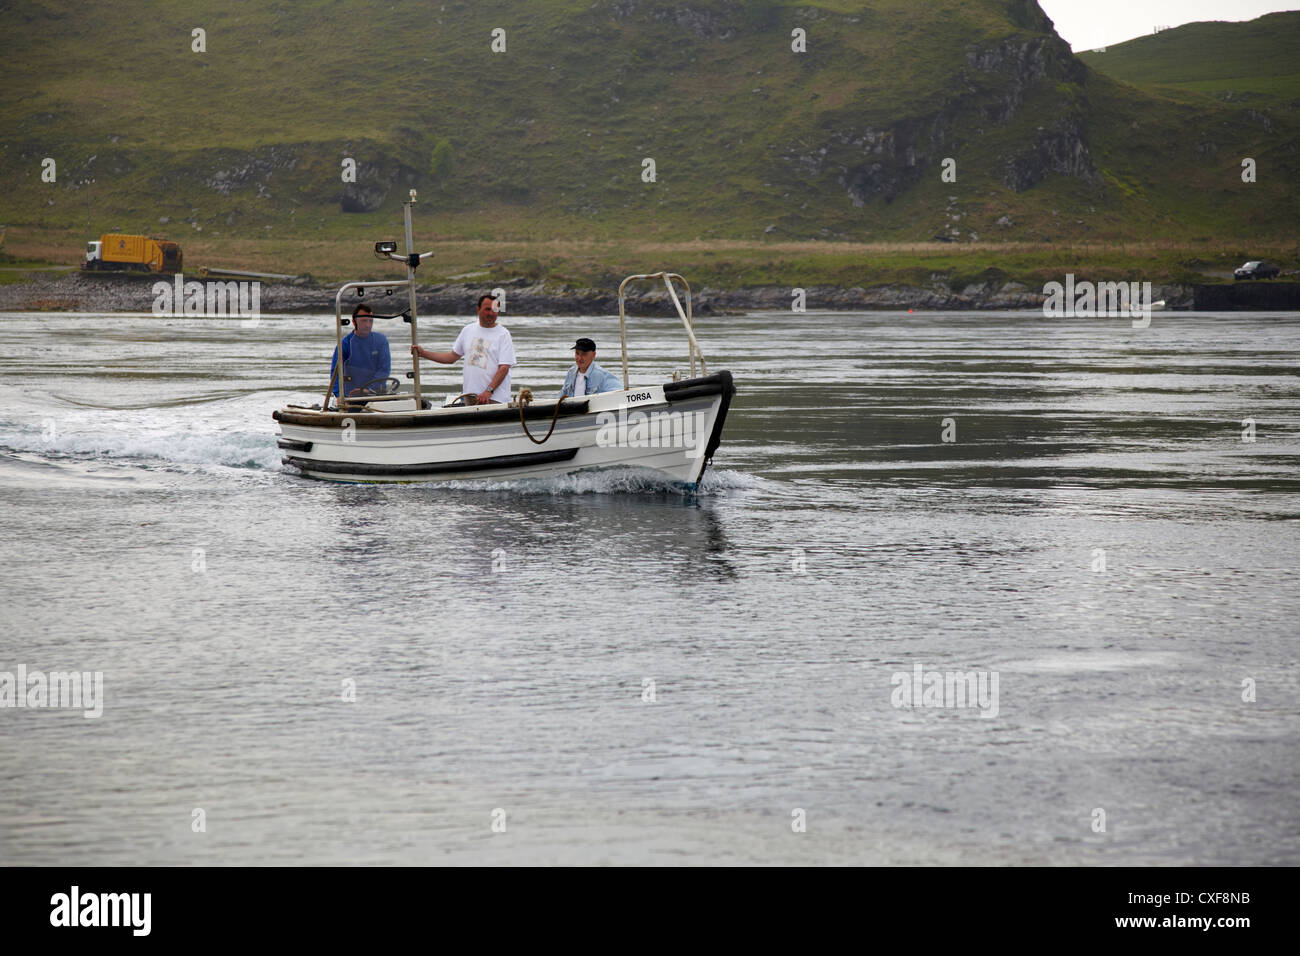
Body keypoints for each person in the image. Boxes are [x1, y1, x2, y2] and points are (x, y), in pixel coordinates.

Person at [411, 294, 516, 404]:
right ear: (478, 309)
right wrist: (423, 353)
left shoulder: (503, 334)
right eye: (487, 309)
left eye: (494, 310)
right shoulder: (467, 330)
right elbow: (451, 357)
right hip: (470, 396)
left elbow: (504, 368)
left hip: (495, 398)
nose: (491, 313)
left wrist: (488, 391)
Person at [330, 304, 391, 396]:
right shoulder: (345, 344)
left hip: (376, 394)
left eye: (370, 321)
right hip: (351, 396)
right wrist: (339, 395)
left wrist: (370, 389)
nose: (368, 325)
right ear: (354, 322)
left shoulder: (381, 341)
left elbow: (384, 369)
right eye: (364, 321)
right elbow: (336, 373)